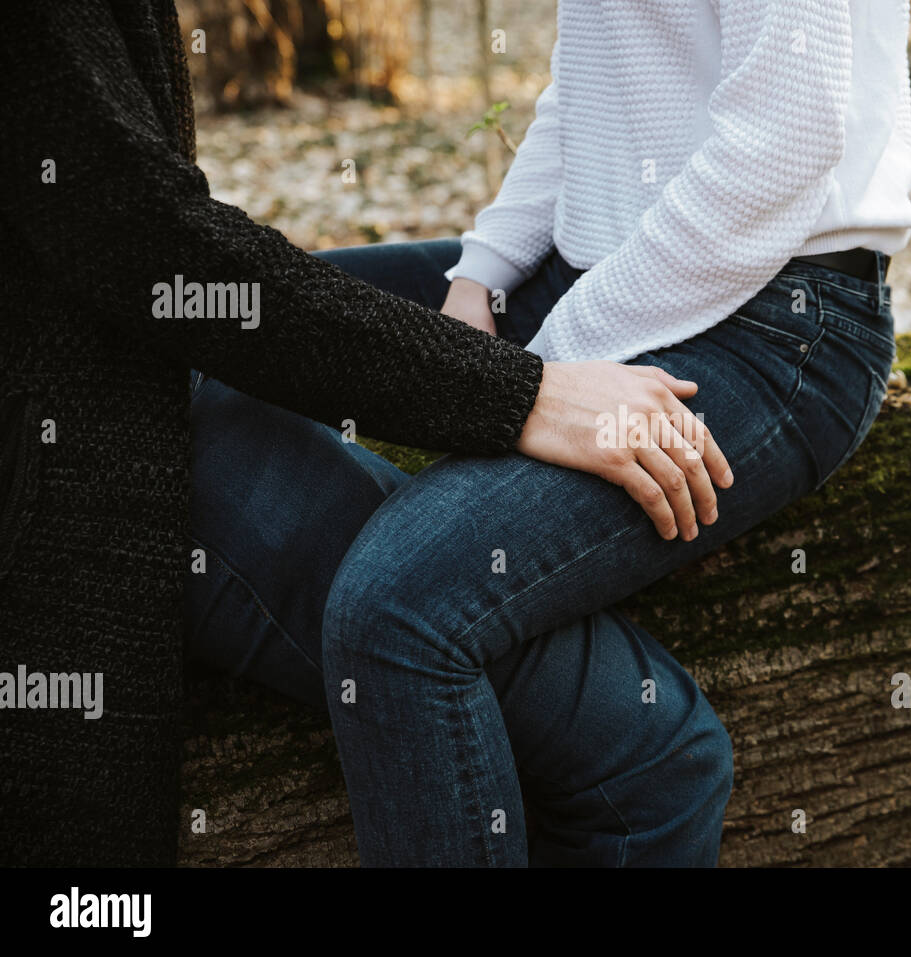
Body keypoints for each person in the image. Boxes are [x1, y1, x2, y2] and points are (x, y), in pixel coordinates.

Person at [0, 0, 727, 867]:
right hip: (95, 437)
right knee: (652, 761)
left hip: (132, 372)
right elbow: (138, 233)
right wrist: (523, 394)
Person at [217, 0, 911, 865]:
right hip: (594, 273)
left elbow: (785, 141)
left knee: (396, 608)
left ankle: (647, 773)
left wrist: (524, 384)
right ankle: (619, 750)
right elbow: (588, 101)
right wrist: (481, 276)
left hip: (776, 323)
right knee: (241, 336)